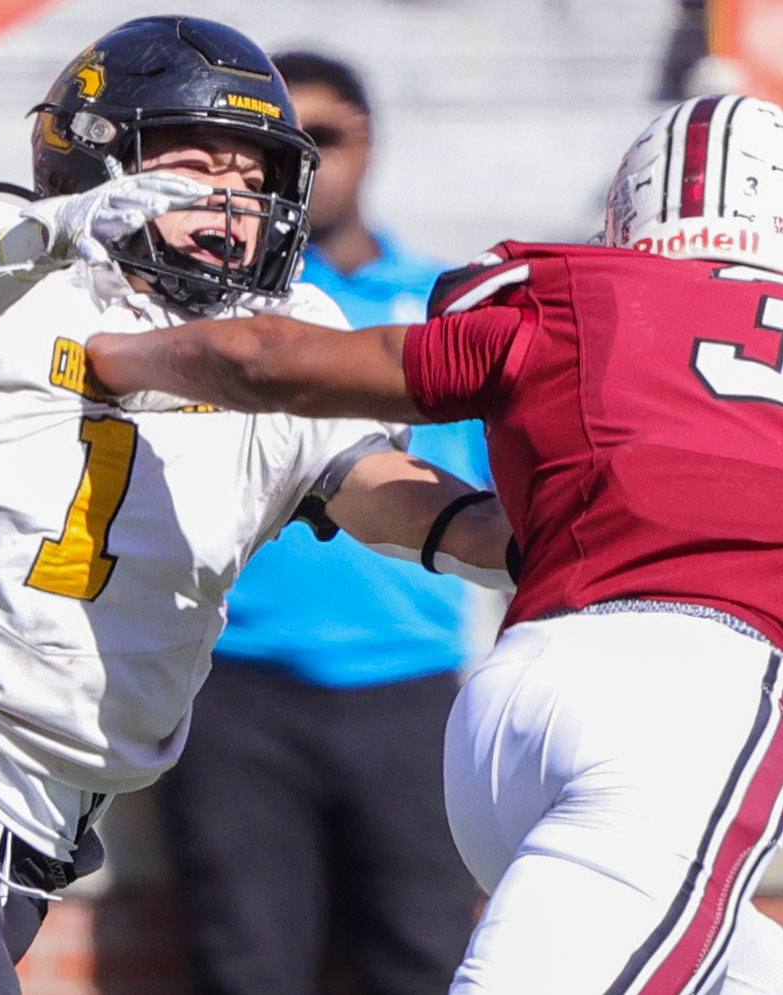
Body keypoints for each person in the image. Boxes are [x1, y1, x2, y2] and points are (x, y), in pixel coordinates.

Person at [85, 92, 783, 994]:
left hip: (503, 718)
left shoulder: (566, 307)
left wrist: (101, 351)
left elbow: (271, 360)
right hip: (689, 713)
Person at [0, 17, 511, 995]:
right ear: (96, 158)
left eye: (253, 175)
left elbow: (384, 494)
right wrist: (46, 236)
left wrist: (538, 544)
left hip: (30, 839)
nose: (229, 198)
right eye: (192, 166)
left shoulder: (286, 328)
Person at [154, 51, 484, 995]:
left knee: (427, 962)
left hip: (413, 687)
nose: (308, 163)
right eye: (279, 146)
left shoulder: (447, 308)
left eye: (324, 138)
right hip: (232, 688)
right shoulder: (201, 309)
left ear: (370, 144)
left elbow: (507, 496)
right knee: (243, 969)